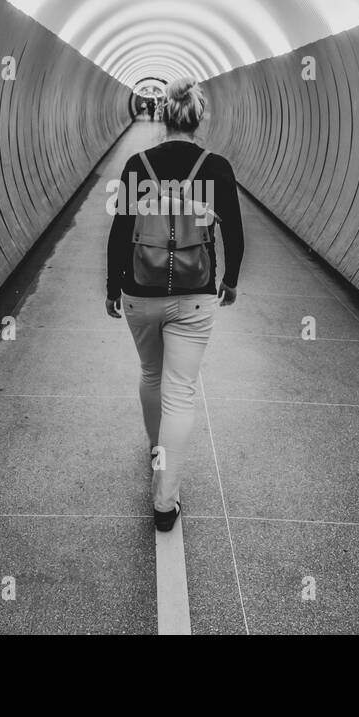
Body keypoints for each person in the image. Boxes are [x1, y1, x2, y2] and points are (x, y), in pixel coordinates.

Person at [105, 77, 244, 531]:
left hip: (140, 291)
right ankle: (166, 501)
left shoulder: (137, 164)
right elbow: (234, 233)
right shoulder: (217, 167)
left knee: (150, 373)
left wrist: (112, 286)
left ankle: (156, 447)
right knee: (182, 390)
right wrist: (231, 280)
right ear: (199, 117)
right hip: (196, 294)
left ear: (162, 116)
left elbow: (121, 232)